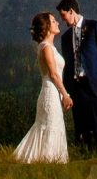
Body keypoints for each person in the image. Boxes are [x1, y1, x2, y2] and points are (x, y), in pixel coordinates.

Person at [55, 0, 97, 160]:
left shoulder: (95, 27)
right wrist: (66, 92)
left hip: (96, 86)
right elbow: (68, 65)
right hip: (76, 88)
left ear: (71, 11)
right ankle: (85, 163)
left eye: (63, 16)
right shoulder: (65, 38)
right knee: (81, 130)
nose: (63, 20)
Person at [12, 10, 71, 163]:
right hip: (50, 93)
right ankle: (47, 162)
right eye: (53, 21)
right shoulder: (46, 48)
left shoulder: (49, 47)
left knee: (53, 126)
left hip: (53, 93)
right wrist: (65, 95)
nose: (57, 23)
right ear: (47, 27)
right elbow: (53, 74)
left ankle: (49, 163)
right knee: (50, 127)